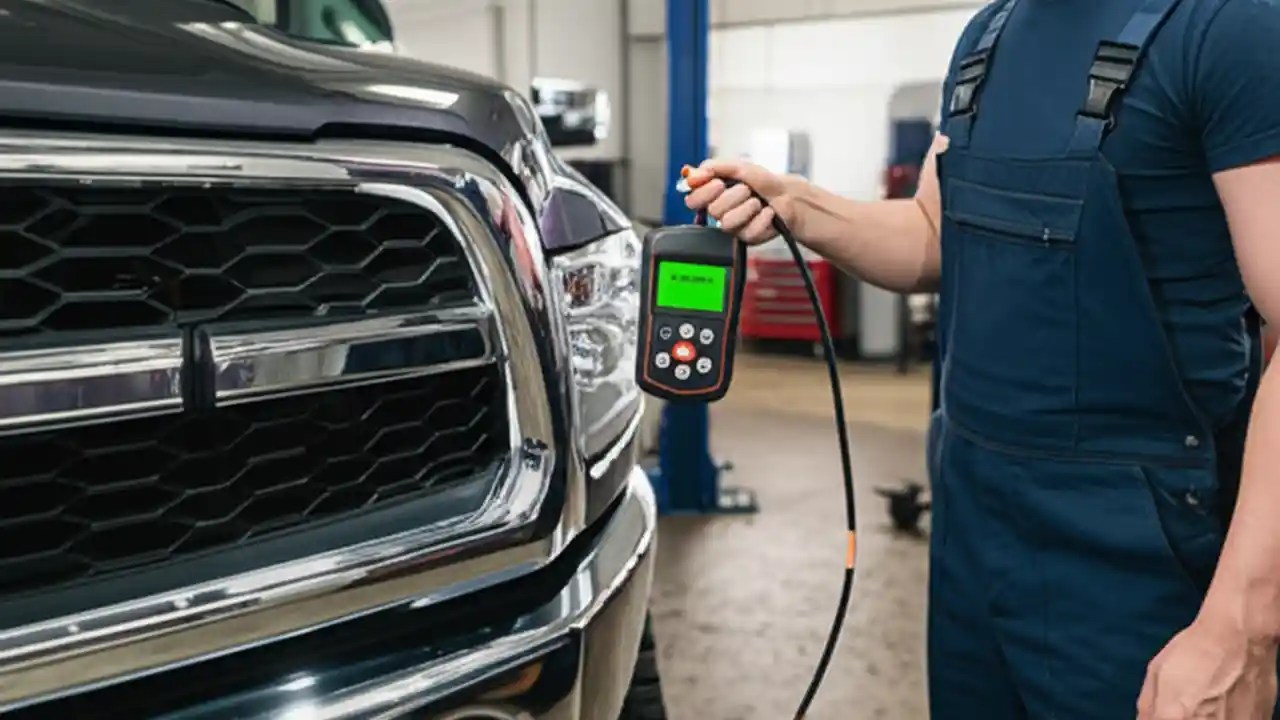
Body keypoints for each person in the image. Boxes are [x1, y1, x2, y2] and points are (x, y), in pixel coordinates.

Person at [683, 0, 1280, 717]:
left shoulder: (1231, 27)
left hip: (1139, 548)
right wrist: (799, 205)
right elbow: (933, 233)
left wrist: (1239, 629)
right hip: (972, 527)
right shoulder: (988, 36)